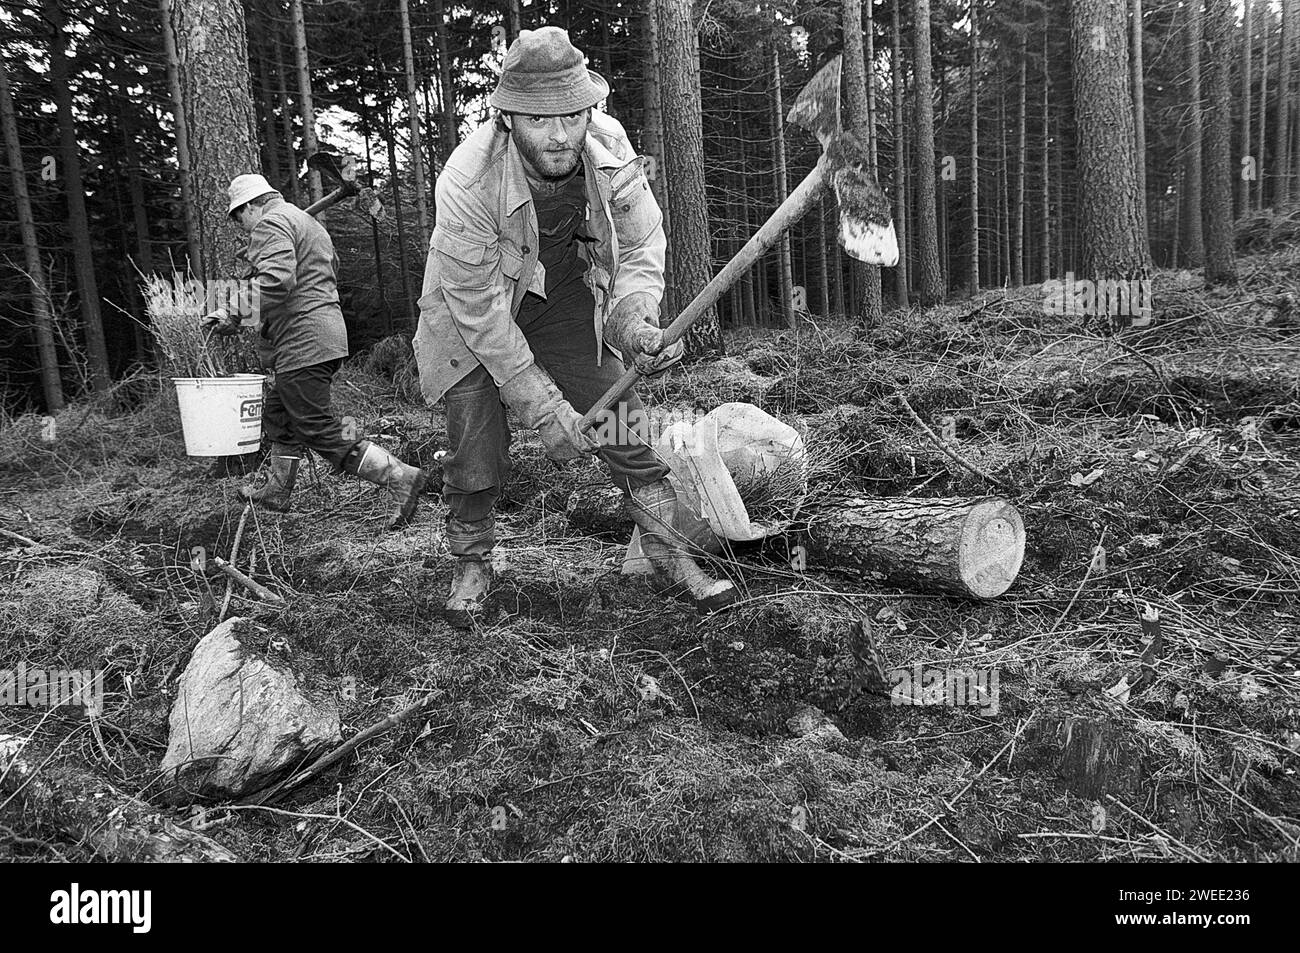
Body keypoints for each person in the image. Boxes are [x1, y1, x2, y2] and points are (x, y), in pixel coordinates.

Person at [412, 27, 738, 627]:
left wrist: (634, 318)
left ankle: (670, 551)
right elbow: (479, 307)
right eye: (540, 120)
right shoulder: (466, 178)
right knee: (475, 443)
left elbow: (642, 244)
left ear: (590, 108)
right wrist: (541, 405)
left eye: (573, 115)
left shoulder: (609, 146)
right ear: (507, 118)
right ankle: (472, 561)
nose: (561, 134)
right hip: (474, 313)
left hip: (562, 299)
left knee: (626, 421)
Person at [210, 173, 425, 529]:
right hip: (326, 333)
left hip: (304, 339)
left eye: (238, 217)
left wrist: (234, 311)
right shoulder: (306, 222)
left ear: (250, 206)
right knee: (280, 413)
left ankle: (396, 475)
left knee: (314, 424)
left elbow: (278, 281)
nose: (241, 226)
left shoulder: (272, 223)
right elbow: (321, 274)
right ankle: (278, 489)